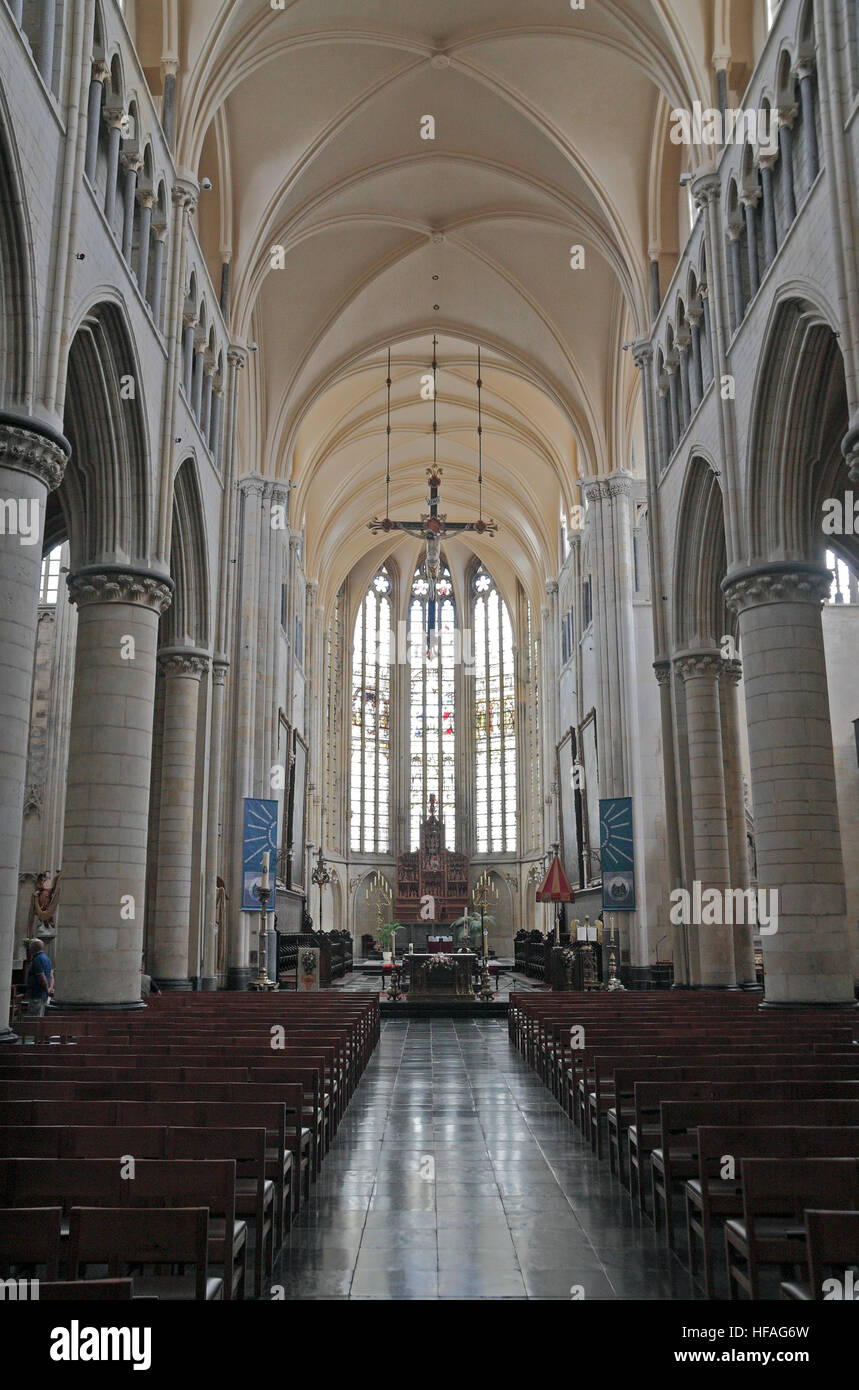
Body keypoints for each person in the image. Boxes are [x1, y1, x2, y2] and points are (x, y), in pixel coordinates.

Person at [25, 938, 54, 1016]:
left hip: (36, 995)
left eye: (30, 946)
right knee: (40, 1016)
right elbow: (51, 976)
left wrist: (47, 990)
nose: (29, 948)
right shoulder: (47, 958)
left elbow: (42, 978)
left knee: (34, 1017)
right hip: (43, 994)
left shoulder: (37, 959)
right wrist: (50, 988)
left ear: (34, 948)